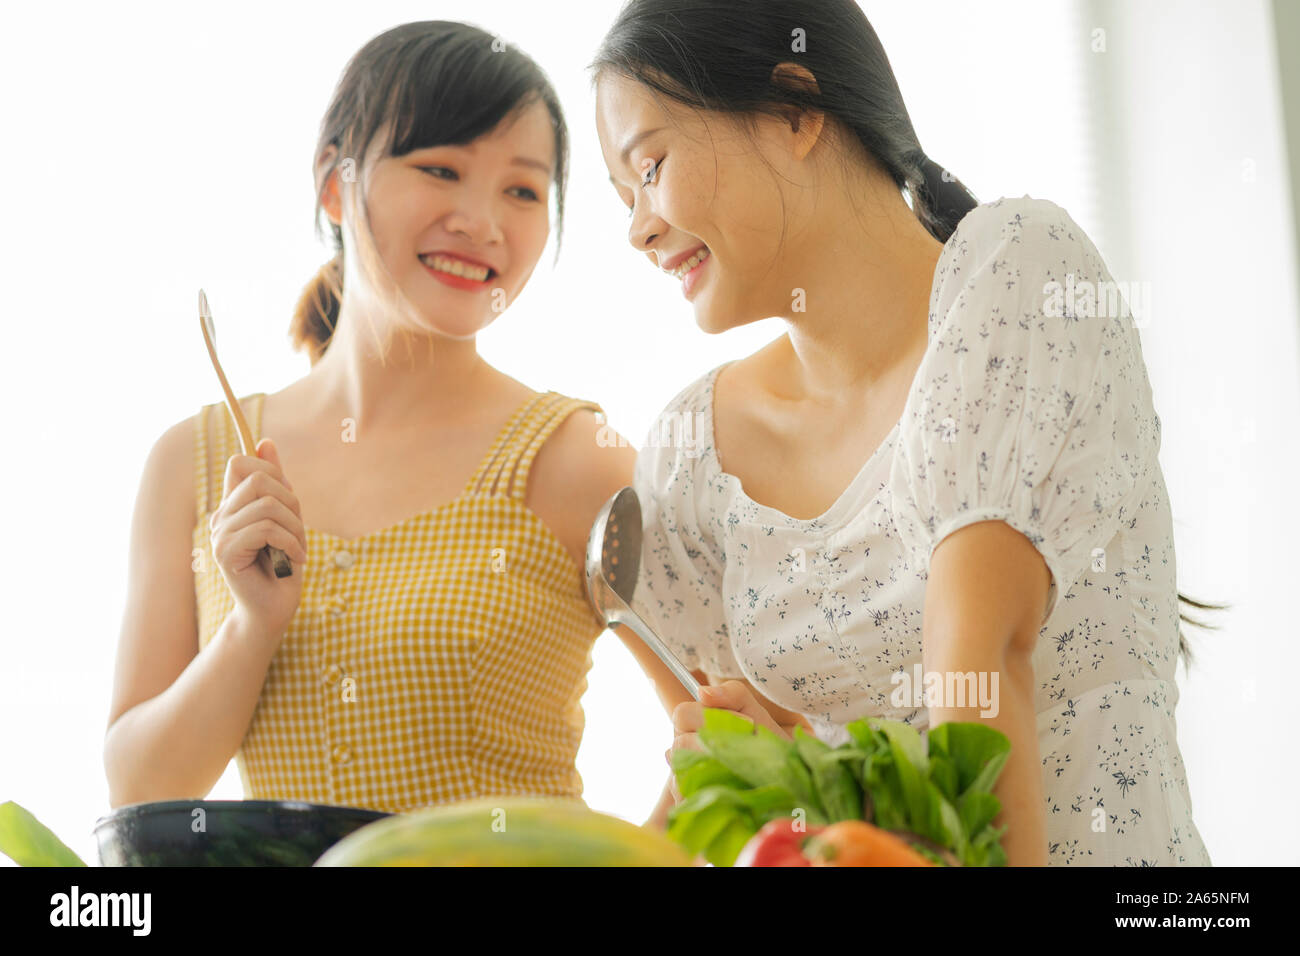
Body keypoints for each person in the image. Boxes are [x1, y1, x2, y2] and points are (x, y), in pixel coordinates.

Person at [592, 0, 1213, 865]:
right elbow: (747, 798)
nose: (637, 227)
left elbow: (981, 664)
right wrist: (773, 767)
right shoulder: (692, 457)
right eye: (622, 198)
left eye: (650, 166)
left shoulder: (1017, 272)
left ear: (795, 109)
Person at [104, 21, 673, 815]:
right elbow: (141, 791)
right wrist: (251, 626)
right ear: (335, 183)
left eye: (522, 190)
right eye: (440, 169)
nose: (483, 222)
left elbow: (728, 727)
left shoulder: (580, 458)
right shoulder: (194, 461)